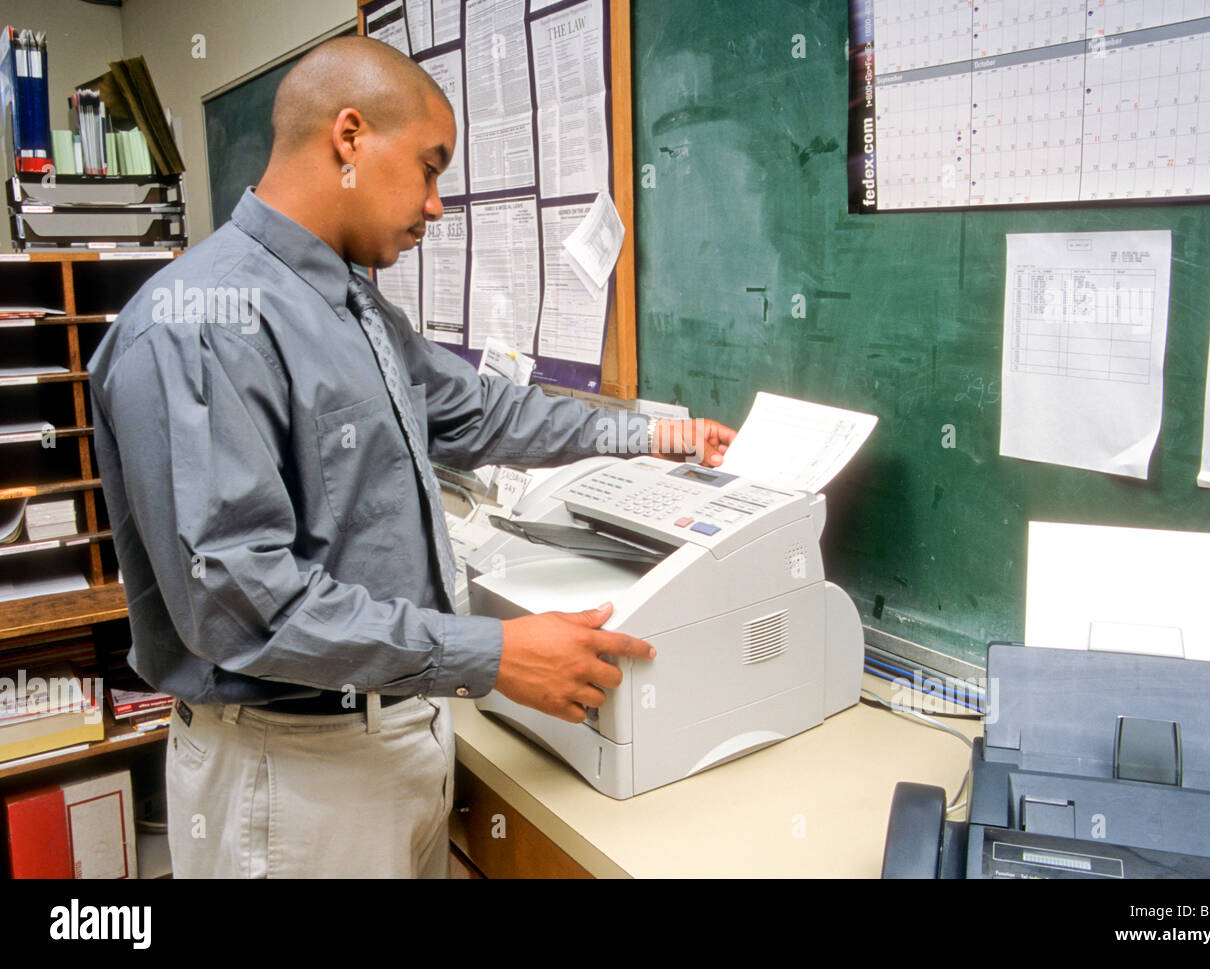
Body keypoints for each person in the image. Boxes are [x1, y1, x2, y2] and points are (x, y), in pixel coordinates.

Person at [87, 35, 735, 878]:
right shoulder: (201, 323)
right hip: (293, 775)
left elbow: (478, 413)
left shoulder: (348, 303)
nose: (436, 205)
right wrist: (493, 654)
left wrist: (656, 435)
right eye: (430, 167)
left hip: (399, 737)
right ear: (349, 138)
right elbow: (244, 606)